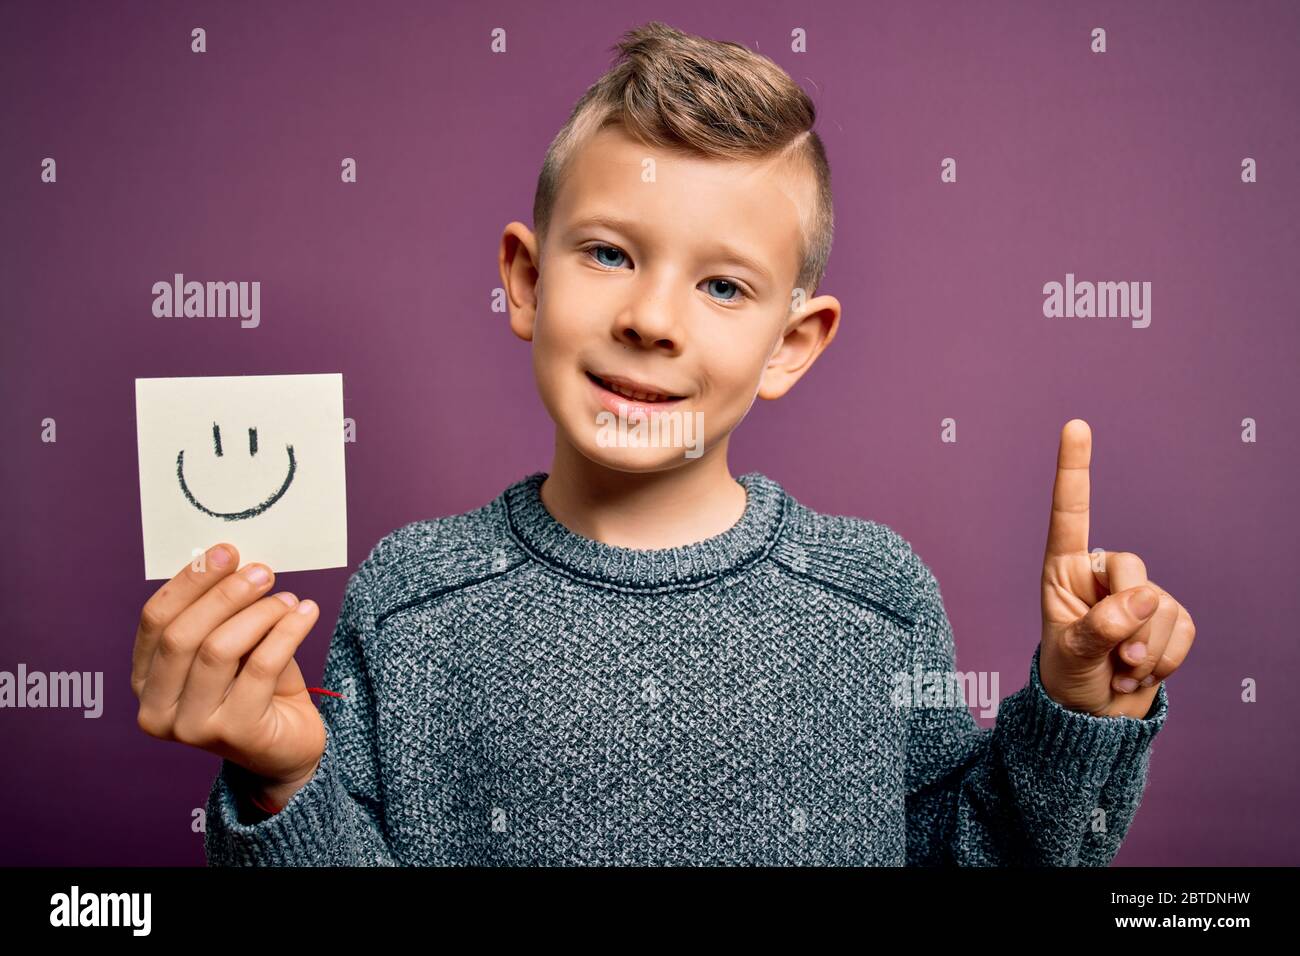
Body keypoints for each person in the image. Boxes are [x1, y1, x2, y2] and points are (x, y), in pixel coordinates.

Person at [132, 21, 1195, 866]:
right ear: (525, 280)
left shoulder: (877, 595)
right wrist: (282, 780)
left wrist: (1075, 715)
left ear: (791, 344)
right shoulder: (408, 597)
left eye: (722, 283)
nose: (651, 316)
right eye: (606, 252)